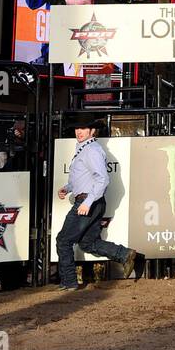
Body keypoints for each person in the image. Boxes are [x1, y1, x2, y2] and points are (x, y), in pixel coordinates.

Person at [55, 113, 138, 290]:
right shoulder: (85, 149)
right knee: (88, 243)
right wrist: (68, 188)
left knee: (63, 240)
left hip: (88, 202)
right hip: (90, 200)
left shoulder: (91, 150)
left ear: (92, 131)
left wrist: (87, 203)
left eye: (83, 128)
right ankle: (124, 254)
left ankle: (69, 281)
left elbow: (103, 180)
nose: (79, 131)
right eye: (77, 128)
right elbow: (84, 178)